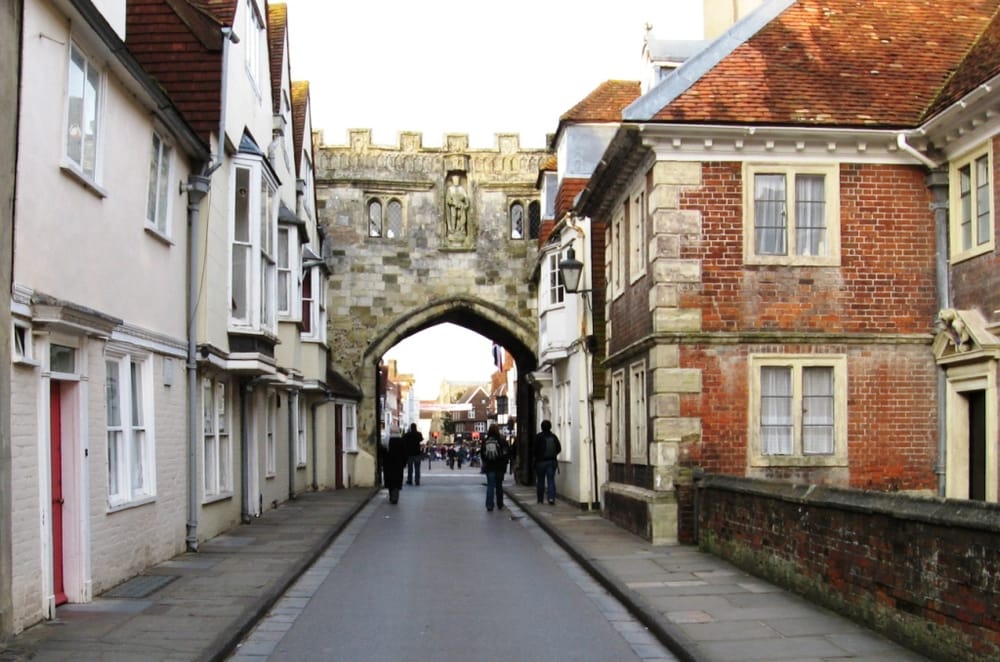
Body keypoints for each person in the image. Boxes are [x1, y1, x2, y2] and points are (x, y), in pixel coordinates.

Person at [481, 424, 509, 512]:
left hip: (489, 466)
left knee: (490, 485)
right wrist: (505, 463)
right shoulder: (502, 440)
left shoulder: (485, 441)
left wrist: (486, 462)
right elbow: (506, 453)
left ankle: (489, 505)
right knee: (499, 485)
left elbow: (482, 454)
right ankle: (500, 504)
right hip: (500, 466)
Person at [534, 420, 561, 505]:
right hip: (551, 461)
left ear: (541, 427)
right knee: (551, 480)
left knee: (540, 481)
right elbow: (559, 448)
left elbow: (534, 449)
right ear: (550, 427)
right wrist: (553, 455)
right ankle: (551, 498)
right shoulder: (553, 437)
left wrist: (537, 457)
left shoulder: (538, 437)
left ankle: (540, 499)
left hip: (540, 462)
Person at [382, 434, 407, 504]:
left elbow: (383, 452)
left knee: (390, 481)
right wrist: (404, 463)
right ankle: (395, 497)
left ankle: (391, 496)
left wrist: (383, 463)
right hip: (398, 465)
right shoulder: (402, 441)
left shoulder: (386, 440)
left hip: (388, 464)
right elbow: (405, 453)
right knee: (397, 482)